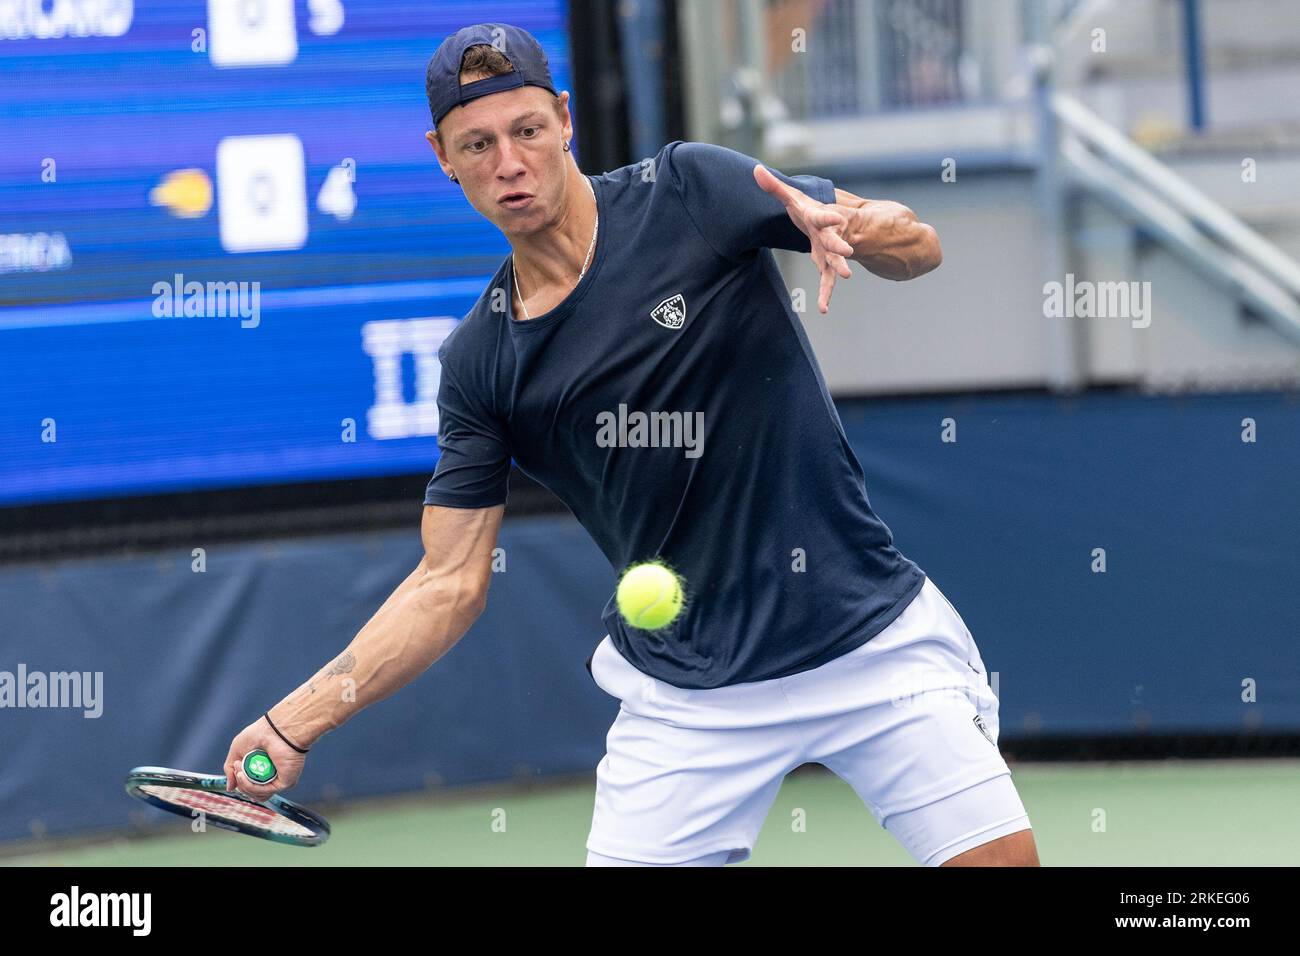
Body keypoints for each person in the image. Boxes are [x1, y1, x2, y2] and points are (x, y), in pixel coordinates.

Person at [224, 21, 1039, 868]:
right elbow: (448, 584)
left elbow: (922, 248)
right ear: (443, 155)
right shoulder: (481, 364)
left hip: (869, 640)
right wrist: (296, 720)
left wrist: (861, 227)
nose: (510, 162)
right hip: (687, 694)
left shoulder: (690, 189)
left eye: (528, 131)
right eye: (479, 143)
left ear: (565, 121)